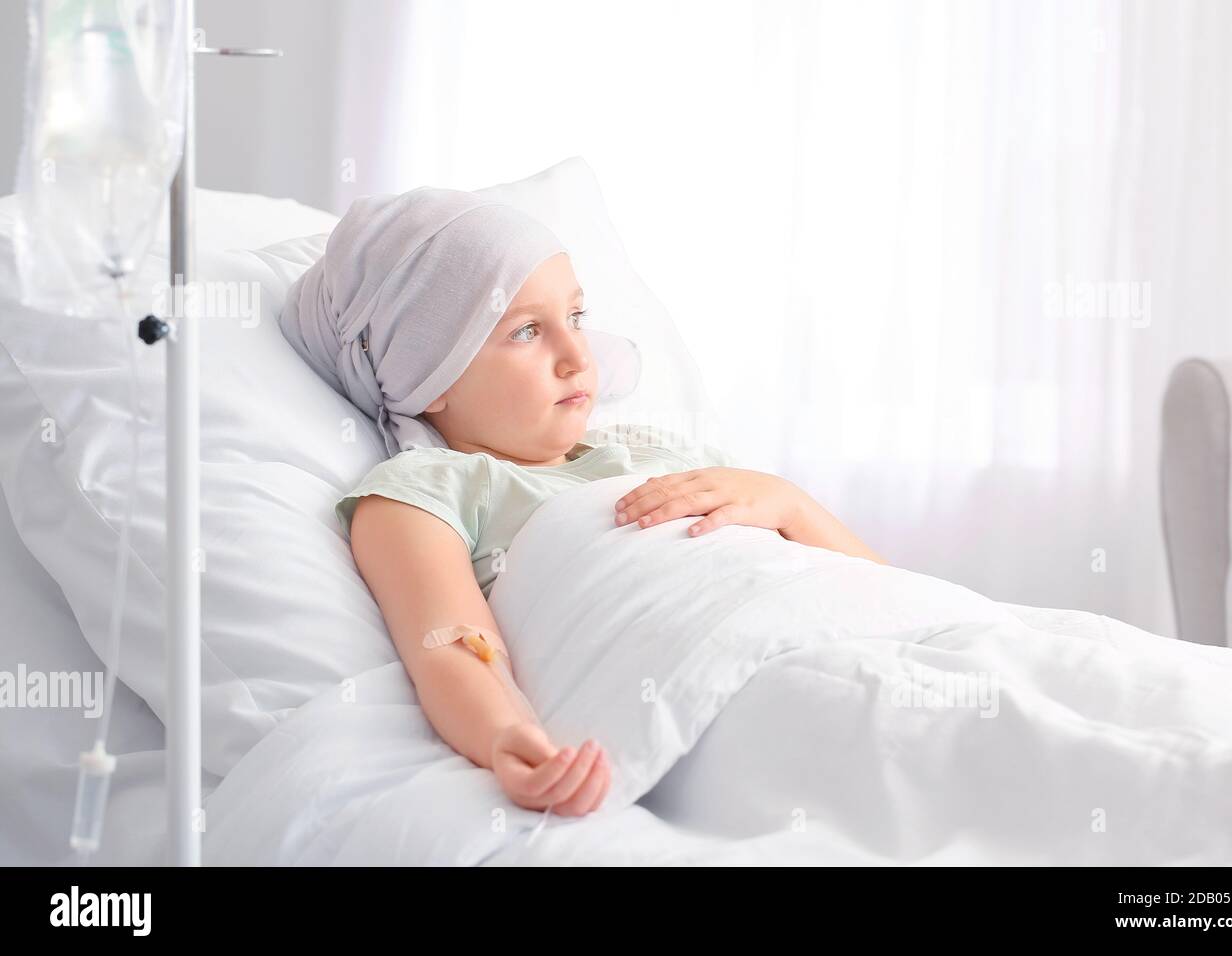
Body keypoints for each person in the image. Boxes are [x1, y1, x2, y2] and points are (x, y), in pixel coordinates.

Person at [279, 187, 885, 819]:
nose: (576, 357)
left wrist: (788, 504)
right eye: (526, 332)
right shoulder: (427, 491)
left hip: (831, 635)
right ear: (426, 375)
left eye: (575, 317)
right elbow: (450, 643)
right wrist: (504, 735)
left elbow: (879, 588)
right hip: (730, 683)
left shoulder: (655, 451)